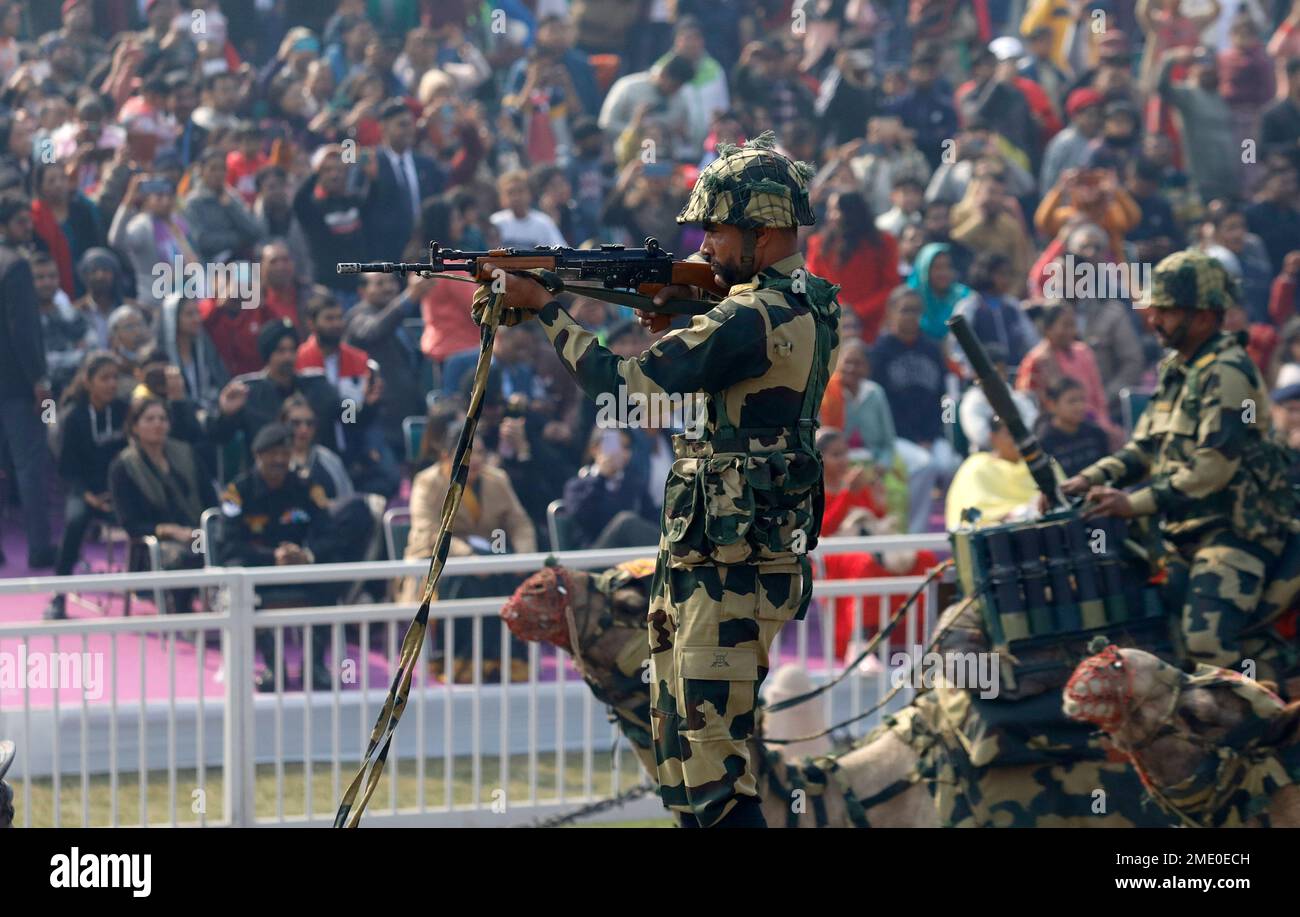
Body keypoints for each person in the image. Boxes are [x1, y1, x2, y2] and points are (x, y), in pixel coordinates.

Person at [475, 132, 839, 829]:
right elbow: (733, 368)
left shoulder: (750, 313)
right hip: (720, 561)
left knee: (710, 775)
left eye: (718, 230)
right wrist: (677, 311)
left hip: (729, 572)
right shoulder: (805, 301)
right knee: (680, 758)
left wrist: (548, 308)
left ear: (761, 233)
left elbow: (631, 385)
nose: (705, 246)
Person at [1062, 252, 1297, 681]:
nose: (1156, 320)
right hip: (1183, 534)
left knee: (1207, 642)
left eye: (1168, 310)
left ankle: (1261, 734)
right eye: (1156, 309)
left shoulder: (1229, 372)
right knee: (1172, 646)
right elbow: (1144, 449)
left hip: (1235, 531)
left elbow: (1214, 467)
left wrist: (1130, 504)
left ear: (1205, 316)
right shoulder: (1178, 371)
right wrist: (1088, 479)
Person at [216, 422, 372, 690]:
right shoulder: (237, 492)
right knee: (235, 570)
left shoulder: (306, 486)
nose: (278, 460)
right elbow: (227, 544)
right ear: (258, 455)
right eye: (272, 454)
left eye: (284, 454)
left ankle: (314, 665)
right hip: (259, 570)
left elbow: (330, 533)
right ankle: (273, 668)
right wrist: (271, 557)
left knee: (333, 568)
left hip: (299, 569)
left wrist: (307, 555)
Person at [403, 424, 536, 683]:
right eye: (466, 452)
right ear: (445, 456)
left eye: (480, 452)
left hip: (489, 560)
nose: (474, 460)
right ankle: (460, 663)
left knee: (505, 573)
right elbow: (430, 532)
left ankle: (505, 660)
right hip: (440, 562)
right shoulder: (427, 482)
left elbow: (520, 523)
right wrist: (469, 557)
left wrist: (523, 555)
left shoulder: (497, 479)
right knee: (467, 578)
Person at [107, 396, 211, 614]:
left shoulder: (186, 453)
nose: (158, 424)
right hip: (156, 543)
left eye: (163, 419)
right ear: (134, 426)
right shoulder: (123, 466)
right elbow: (130, 524)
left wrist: (202, 529)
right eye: (150, 419)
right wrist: (171, 531)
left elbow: (210, 499)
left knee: (228, 546)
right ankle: (182, 611)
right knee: (189, 556)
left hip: (197, 534)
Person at [45, 351, 128, 619]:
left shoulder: (124, 411)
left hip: (118, 491)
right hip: (84, 490)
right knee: (75, 522)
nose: (112, 384)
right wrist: (87, 495)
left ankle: (162, 589)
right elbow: (66, 467)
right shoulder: (72, 417)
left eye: (115, 378)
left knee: (146, 515)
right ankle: (58, 596)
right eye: (105, 378)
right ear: (87, 381)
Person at [871, 285, 959, 533]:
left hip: (930, 435)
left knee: (951, 465)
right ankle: (914, 534)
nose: (911, 316)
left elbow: (943, 399)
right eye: (905, 310)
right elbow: (883, 405)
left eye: (916, 311)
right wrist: (915, 438)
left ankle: (951, 530)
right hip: (895, 436)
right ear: (891, 313)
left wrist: (932, 435)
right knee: (924, 466)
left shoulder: (931, 349)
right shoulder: (879, 353)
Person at [0, 191, 56, 568]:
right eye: (22, 221)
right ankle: (39, 547)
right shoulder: (16, 265)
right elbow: (23, 330)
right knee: (29, 466)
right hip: (16, 383)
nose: (29, 228)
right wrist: (39, 378)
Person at [805, 190, 899, 345]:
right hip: (832, 325)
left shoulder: (884, 243)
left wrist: (858, 311)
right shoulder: (819, 244)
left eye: (835, 210)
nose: (830, 216)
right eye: (829, 210)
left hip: (873, 327)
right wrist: (839, 311)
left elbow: (890, 286)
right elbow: (814, 286)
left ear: (852, 212)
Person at [561, 427, 657, 549]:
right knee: (626, 522)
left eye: (626, 447)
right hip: (593, 554)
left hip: (630, 552)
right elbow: (582, 518)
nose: (620, 453)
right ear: (595, 449)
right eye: (614, 446)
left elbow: (652, 518)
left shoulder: (633, 482)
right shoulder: (577, 485)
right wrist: (601, 477)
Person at [1036, 376, 1112, 478]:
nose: (1080, 406)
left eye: (1082, 399)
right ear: (1052, 405)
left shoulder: (1096, 433)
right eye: (1072, 401)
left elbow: (1108, 469)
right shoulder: (1044, 443)